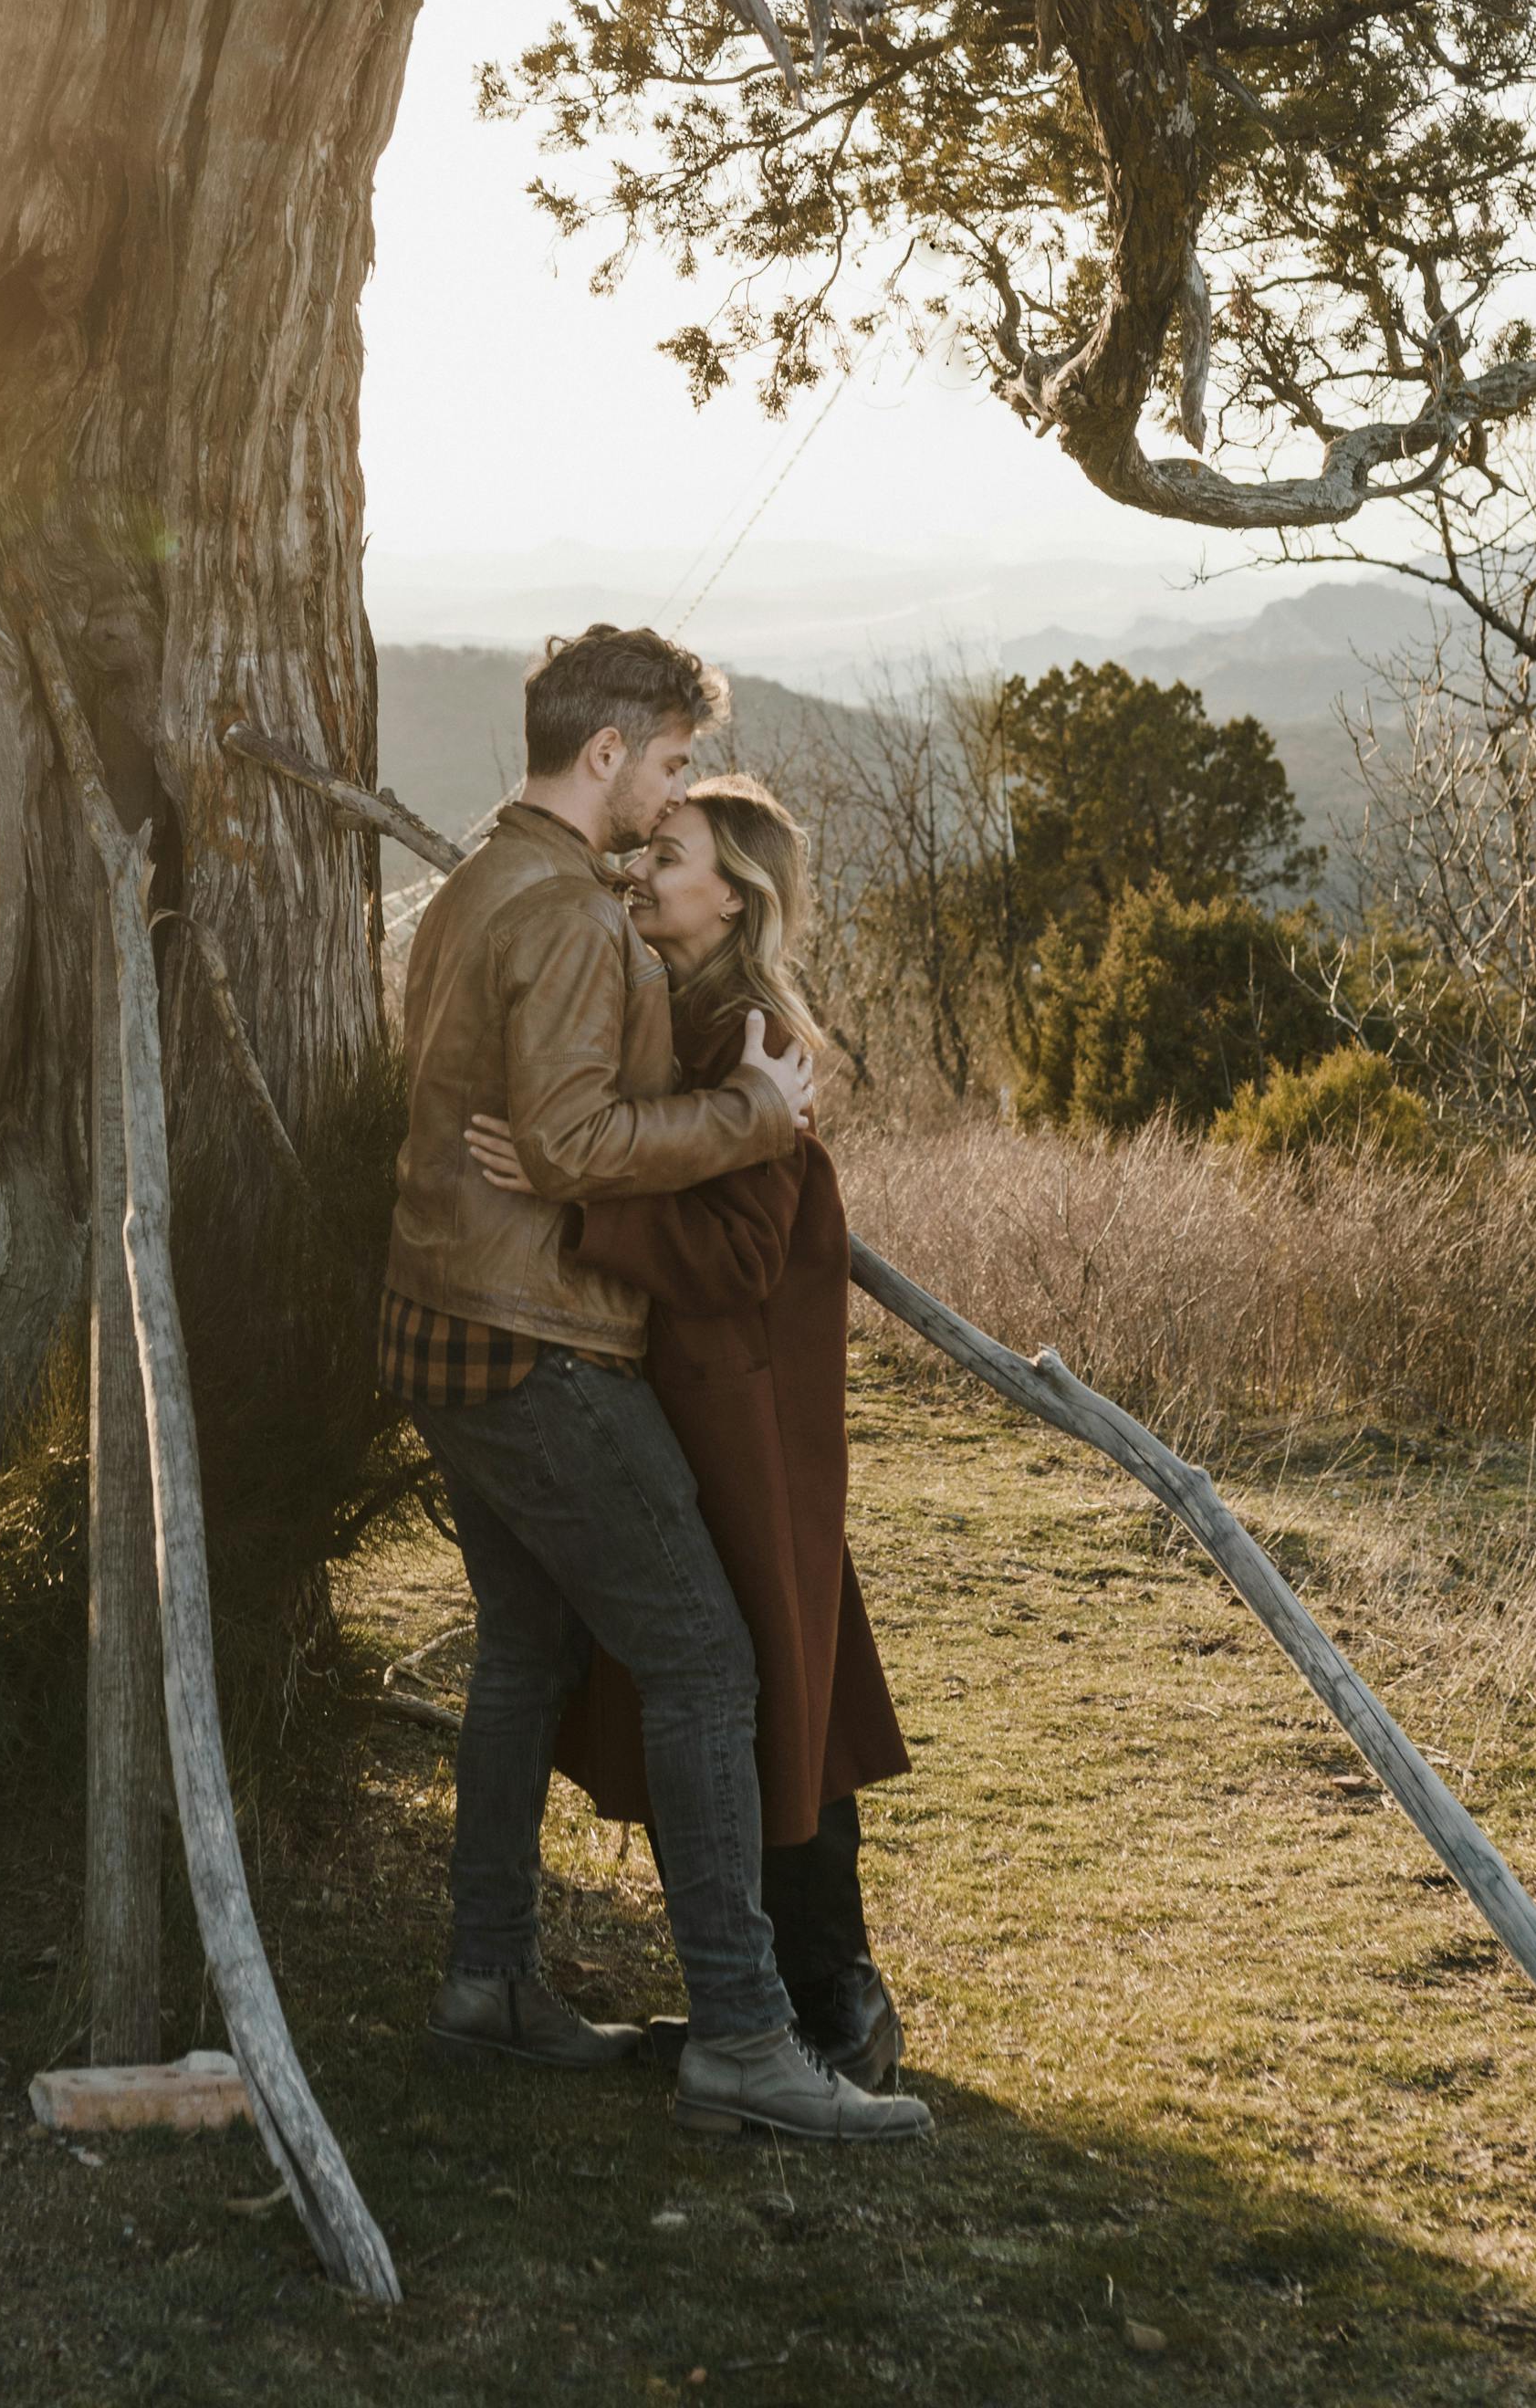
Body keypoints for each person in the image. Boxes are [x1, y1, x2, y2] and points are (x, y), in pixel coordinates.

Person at [381, 623, 931, 2149]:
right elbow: (564, 1145)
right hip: (533, 1348)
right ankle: (749, 2040)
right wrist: (755, 1116)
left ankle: (489, 1980)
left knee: (524, 1653)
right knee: (704, 1666)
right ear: (608, 753)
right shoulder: (562, 914)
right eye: (673, 765)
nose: (671, 794)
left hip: (440, 1325)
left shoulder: (477, 885)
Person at [467, 778, 909, 2092]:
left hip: (742, 1416)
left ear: (737, 896)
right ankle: (758, 2001)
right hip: (679, 1403)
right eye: (648, 846)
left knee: (777, 1692)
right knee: (711, 1692)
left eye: (669, 855)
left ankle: (836, 2012)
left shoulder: (751, 1037)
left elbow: (735, 1250)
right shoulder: (673, 1008)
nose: (641, 869)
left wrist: (571, 1204)